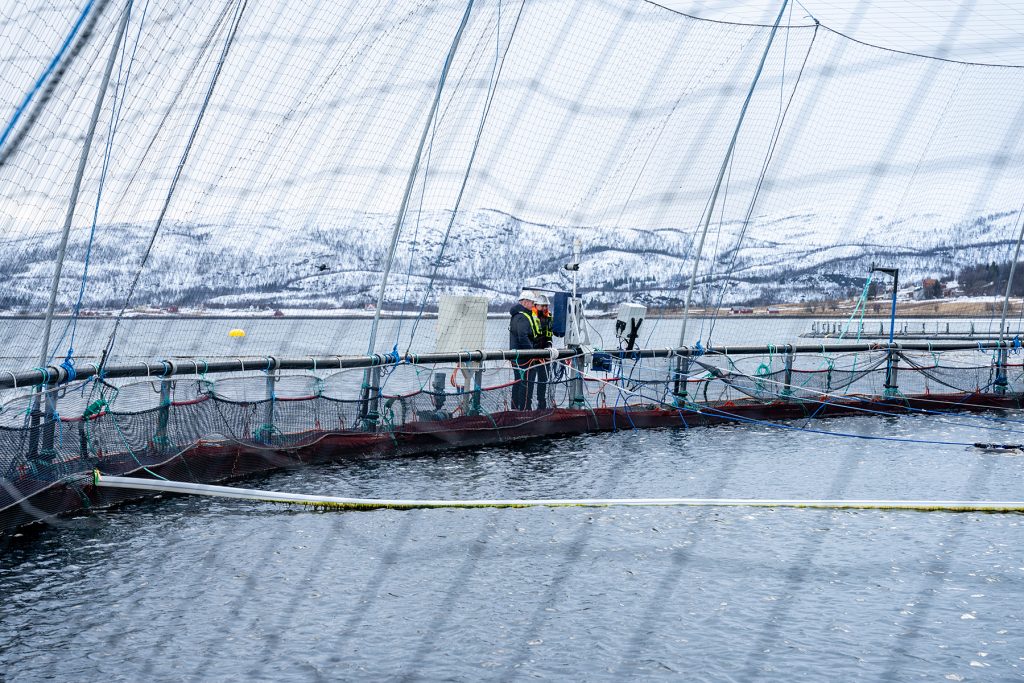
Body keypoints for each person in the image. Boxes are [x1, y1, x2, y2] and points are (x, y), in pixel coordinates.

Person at [509, 289, 539, 409]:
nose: (533, 305)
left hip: (519, 356)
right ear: (525, 302)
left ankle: (517, 407)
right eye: (532, 302)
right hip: (522, 357)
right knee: (524, 382)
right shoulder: (522, 317)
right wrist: (531, 352)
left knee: (519, 381)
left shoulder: (519, 315)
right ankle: (524, 408)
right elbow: (522, 336)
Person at [530, 293, 554, 410]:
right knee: (530, 378)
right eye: (542, 306)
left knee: (543, 378)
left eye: (546, 306)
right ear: (536, 305)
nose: (545, 308)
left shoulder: (549, 316)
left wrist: (549, 345)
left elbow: (549, 334)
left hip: (545, 353)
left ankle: (541, 402)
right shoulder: (531, 316)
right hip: (533, 353)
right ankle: (527, 404)